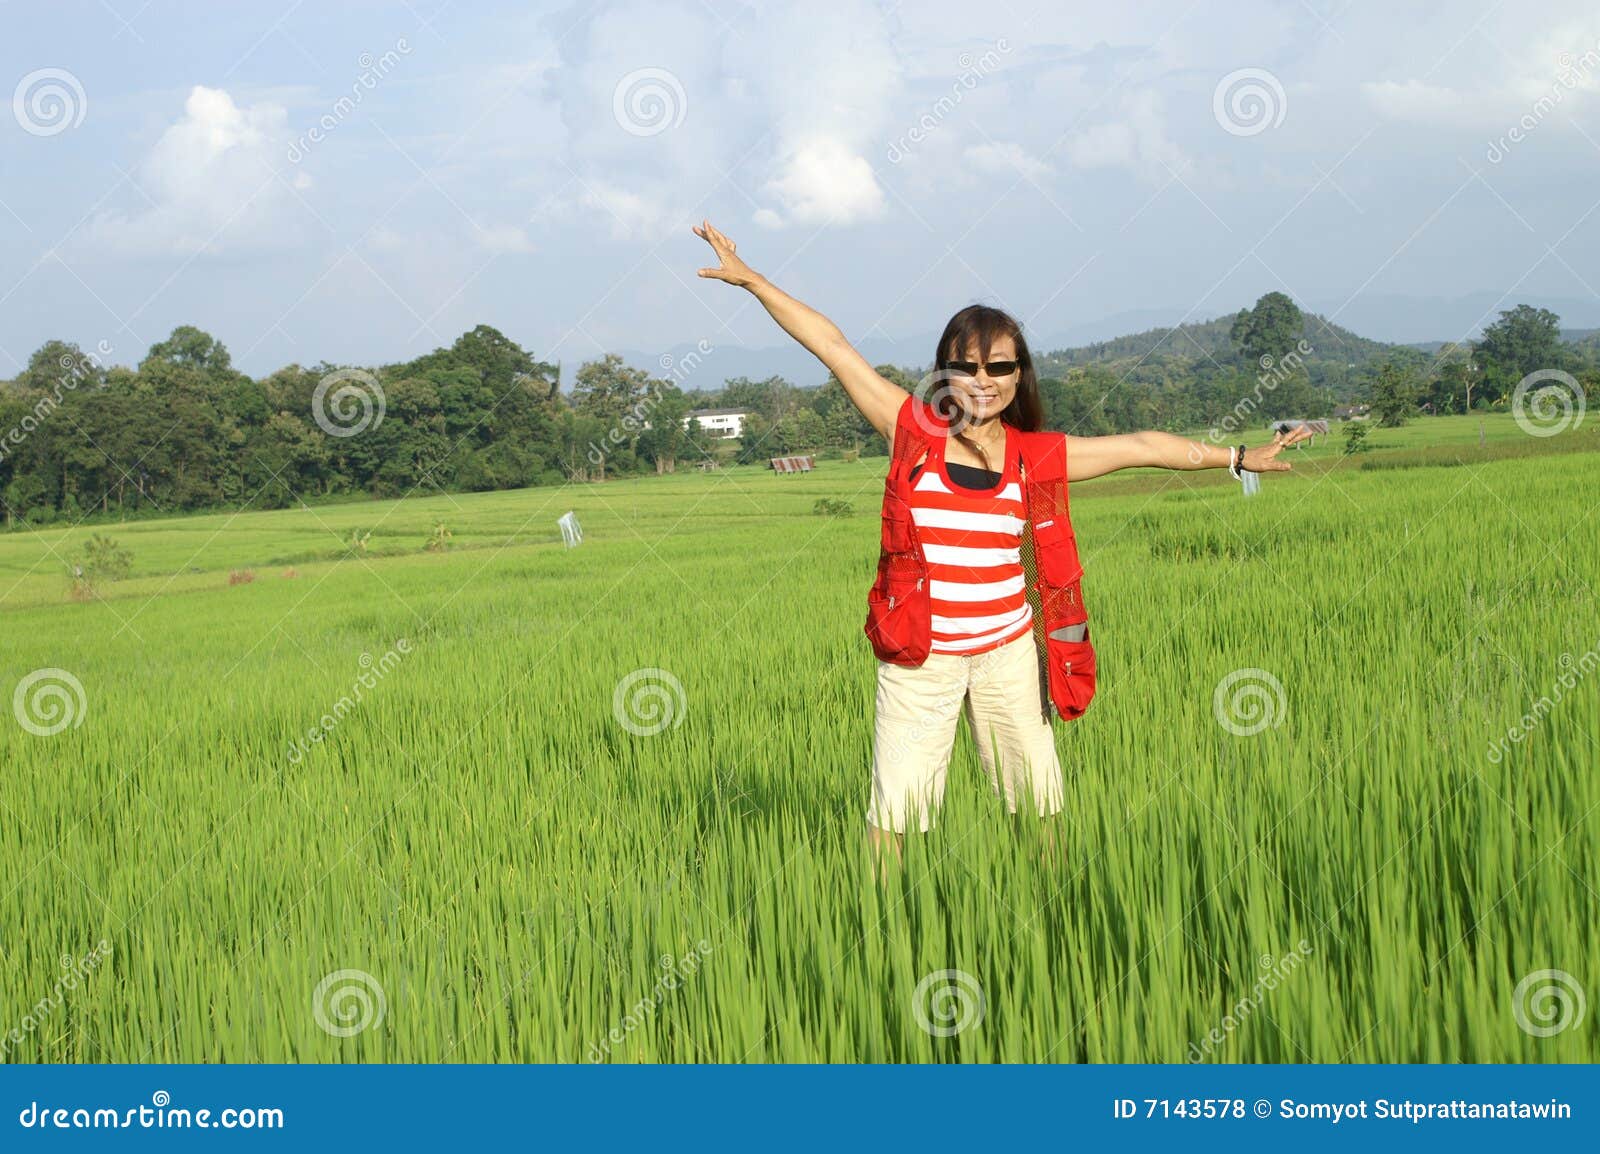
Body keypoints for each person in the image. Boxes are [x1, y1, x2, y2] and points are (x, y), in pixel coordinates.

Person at [692, 220, 1310, 868]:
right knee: (894, 819)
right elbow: (835, 347)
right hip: (920, 660)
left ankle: (1050, 911)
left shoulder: (1034, 457)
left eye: (1000, 367)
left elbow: (1143, 448)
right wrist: (755, 281)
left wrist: (1240, 456)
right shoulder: (911, 431)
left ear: (1019, 377)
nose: (983, 380)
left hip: (1009, 658)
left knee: (1038, 811)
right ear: (947, 373)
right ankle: (879, 937)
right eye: (968, 366)